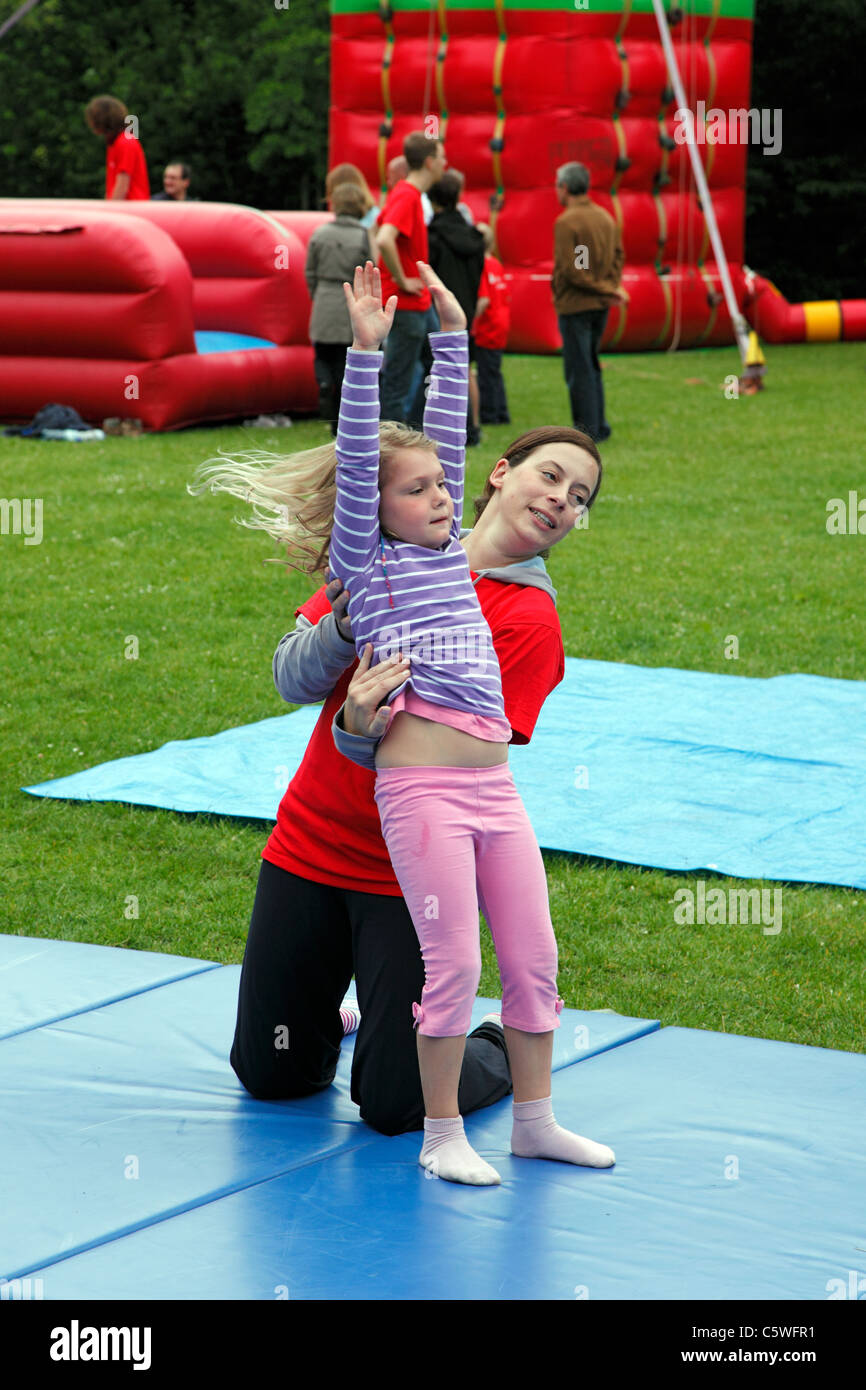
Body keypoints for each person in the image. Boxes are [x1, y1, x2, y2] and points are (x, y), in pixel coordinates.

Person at [189, 278, 605, 1163]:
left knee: (390, 1105)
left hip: (405, 867)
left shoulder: (518, 611)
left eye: (580, 498)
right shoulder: (386, 558)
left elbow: (456, 761)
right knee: (274, 1073)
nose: (561, 501)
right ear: (501, 471)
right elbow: (288, 674)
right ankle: (348, 1008)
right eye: (549, 475)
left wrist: (360, 731)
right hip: (310, 844)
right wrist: (342, 630)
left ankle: (484, 1045)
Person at [406, 171, 485, 444]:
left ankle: (422, 425)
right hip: (466, 311)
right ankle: (471, 428)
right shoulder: (475, 237)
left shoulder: (431, 238)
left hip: (437, 313)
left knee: (432, 370)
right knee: (463, 369)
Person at [552, 162, 627, 442]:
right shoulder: (605, 218)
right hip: (600, 305)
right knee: (591, 364)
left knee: (579, 368)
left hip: (575, 304)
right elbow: (618, 255)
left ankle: (586, 430)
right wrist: (608, 286)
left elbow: (571, 270)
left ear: (566, 187)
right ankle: (599, 423)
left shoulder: (567, 222)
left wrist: (599, 286)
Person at [376, 131, 446, 422]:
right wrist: (403, 279)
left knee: (439, 366)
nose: (446, 164)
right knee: (397, 382)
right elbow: (383, 238)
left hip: (419, 303)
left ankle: (415, 431)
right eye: (443, 158)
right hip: (406, 303)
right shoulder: (406, 195)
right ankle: (388, 448)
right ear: (430, 162)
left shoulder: (410, 195)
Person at [305, 183, 373, 434]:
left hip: (324, 297)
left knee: (322, 354)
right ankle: (339, 421)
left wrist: (317, 293)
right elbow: (370, 269)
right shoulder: (364, 235)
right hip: (350, 300)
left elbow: (309, 270)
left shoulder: (319, 233)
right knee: (345, 364)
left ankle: (323, 382)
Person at [473, 222, 512, 425]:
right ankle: (502, 412)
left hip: (488, 326)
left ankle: (489, 414)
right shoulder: (495, 263)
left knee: (486, 374)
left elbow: (484, 299)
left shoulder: (481, 265)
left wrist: (471, 322)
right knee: (494, 371)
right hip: (501, 323)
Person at [84, 95, 150, 201]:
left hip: (131, 208)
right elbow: (114, 184)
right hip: (125, 207)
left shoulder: (125, 142)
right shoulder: (115, 143)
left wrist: (111, 211)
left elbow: (122, 185)